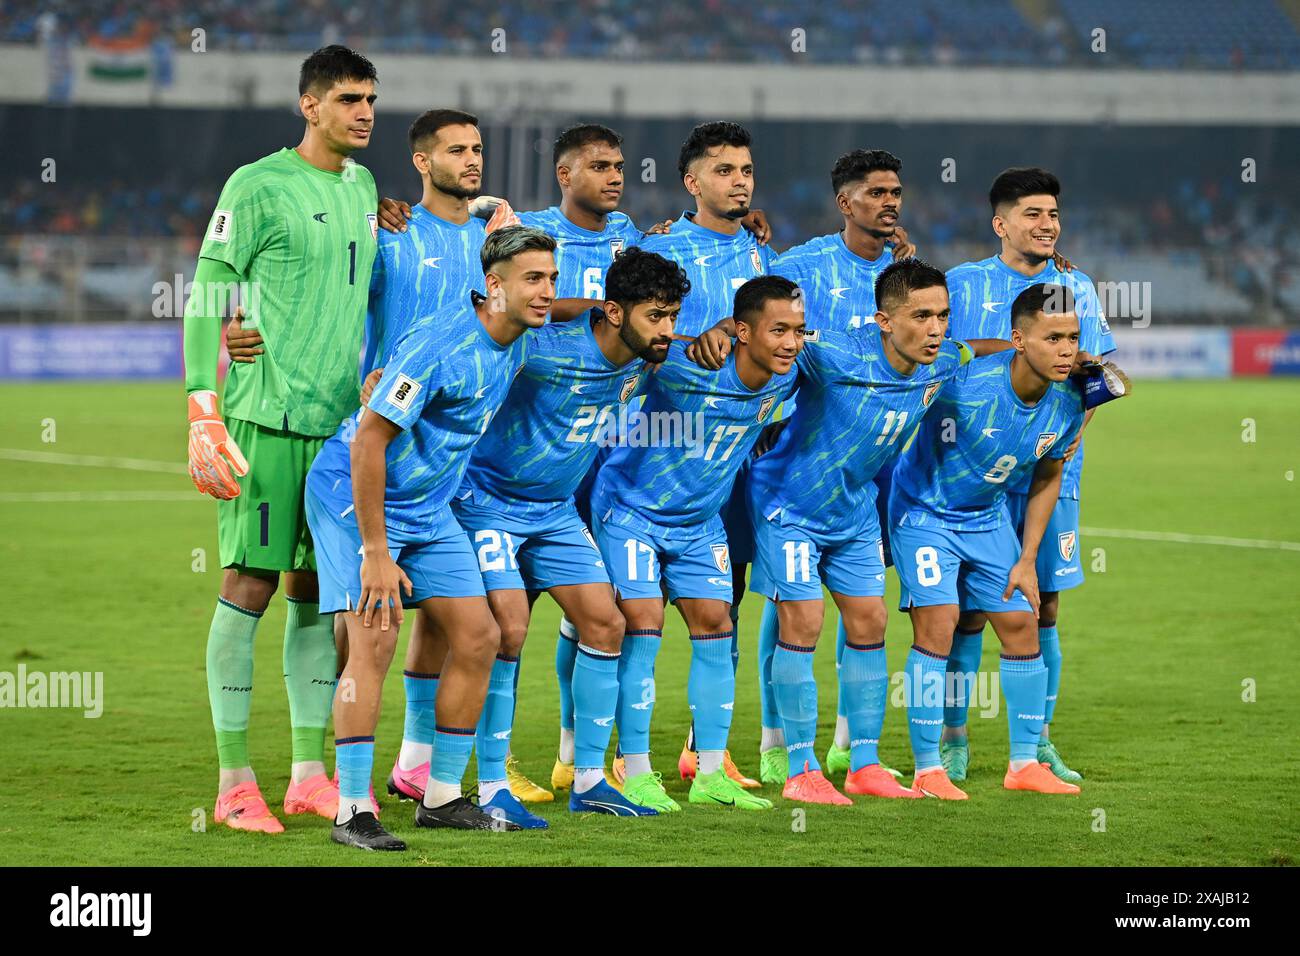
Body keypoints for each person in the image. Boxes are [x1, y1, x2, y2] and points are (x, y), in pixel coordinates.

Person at [303, 226, 556, 848]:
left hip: (428, 508)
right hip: (354, 495)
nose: (548, 291)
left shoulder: (519, 340)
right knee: (375, 641)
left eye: (552, 278)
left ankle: (440, 797)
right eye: (534, 279)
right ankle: (353, 811)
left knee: (480, 636)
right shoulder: (441, 345)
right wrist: (376, 551)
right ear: (493, 286)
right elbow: (367, 442)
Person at [184, 45, 379, 834]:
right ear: (310, 105)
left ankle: (306, 774)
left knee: (312, 595)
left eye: (370, 99)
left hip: (337, 433)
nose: (364, 112)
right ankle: (234, 783)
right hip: (266, 419)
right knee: (249, 586)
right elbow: (209, 292)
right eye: (348, 99)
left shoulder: (365, 187)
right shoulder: (257, 184)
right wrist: (204, 404)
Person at [453, 247, 690, 820]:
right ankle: (490, 788)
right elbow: (479, 332)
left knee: (607, 621)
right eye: (655, 317)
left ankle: (587, 780)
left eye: (672, 316)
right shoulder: (541, 350)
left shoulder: (644, 357)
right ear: (613, 312)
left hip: (555, 512)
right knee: (509, 627)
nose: (668, 331)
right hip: (489, 503)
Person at [591, 275, 802, 812]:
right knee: (643, 626)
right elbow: (623, 343)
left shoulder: (788, 375)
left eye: (797, 331)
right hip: (631, 513)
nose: (790, 342)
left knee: (716, 625)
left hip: (700, 523)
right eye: (777, 330)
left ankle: (710, 771)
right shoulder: (683, 361)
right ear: (743, 331)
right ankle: (633, 770)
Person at [942, 167, 1117, 784]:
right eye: (1033, 214)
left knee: (1044, 609)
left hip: (1050, 471)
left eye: (1053, 214)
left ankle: (1038, 744)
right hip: (976, 479)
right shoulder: (962, 284)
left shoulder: (1079, 288)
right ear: (1001, 223)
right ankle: (952, 741)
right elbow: (943, 361)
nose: (1047, 225)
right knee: (965, 612)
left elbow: (1091, 384)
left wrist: (1063, 452)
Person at [889, 282, 1087, 800]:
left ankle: (1023, 764)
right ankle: (929, 768)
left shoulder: (1068, 404)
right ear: (1019, 340)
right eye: (1053, 338)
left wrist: (1026, 559)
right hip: (925, 514)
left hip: (985, 518)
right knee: (939, 625)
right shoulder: (965, 385)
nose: (1066, 350)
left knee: (1023, 622)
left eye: (1073, 338)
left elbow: (1048, 475)